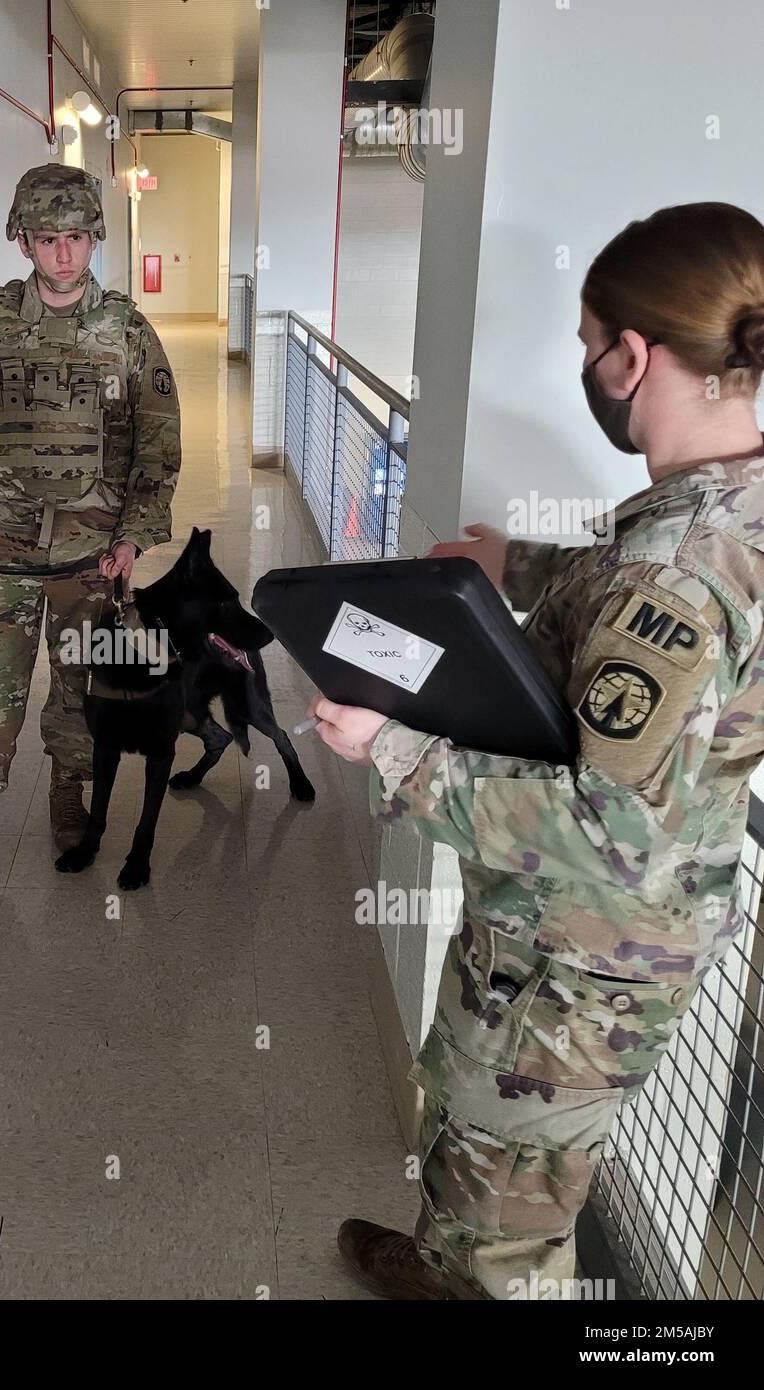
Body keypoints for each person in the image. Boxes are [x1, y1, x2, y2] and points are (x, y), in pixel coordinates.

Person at [314, 201, 764, 1299]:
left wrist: (394, 750)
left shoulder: (677, 571)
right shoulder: (721, 503)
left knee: (508, 1227)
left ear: (630, 357)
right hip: (575, 951)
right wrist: (511, 563)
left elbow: (605, 831)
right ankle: (436, 1261)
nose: (584, 367)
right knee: (476, 1155)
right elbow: (627, 575)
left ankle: (462, 1274)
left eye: (584, 347)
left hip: (574, 971)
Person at [0, 164, 181, 875]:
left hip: (89, 559)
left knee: (81, 691)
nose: (63, 253)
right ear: (23, 241)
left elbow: (157, 438)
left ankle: (71, 797)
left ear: (93, 239)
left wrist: (134, 534)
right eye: (47, 238)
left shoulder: (125, 328)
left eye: (76, 238)